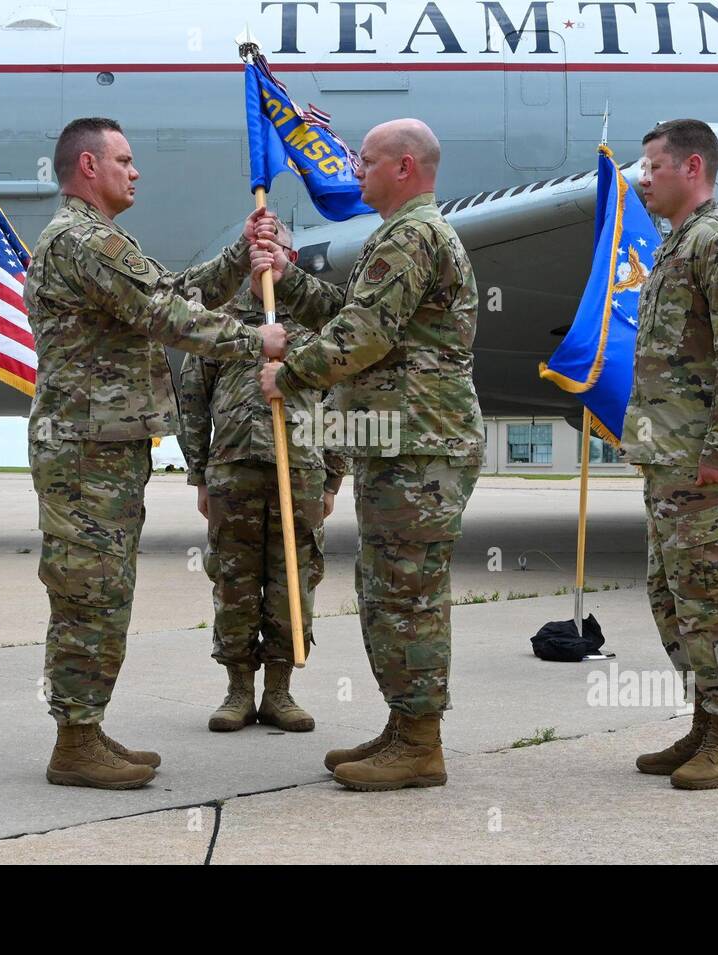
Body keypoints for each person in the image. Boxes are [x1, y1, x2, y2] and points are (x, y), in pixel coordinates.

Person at [25, 117, 286, 790]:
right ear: (88, 166)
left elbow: (174, 293)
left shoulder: (99, 241)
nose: (134, 171)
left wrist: (239, 255)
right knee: (91, 593)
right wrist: (259, 341)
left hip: (104, 447)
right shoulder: (84, 242)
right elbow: (170, 317)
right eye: (124, 159)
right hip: (86, 449)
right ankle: (75, 742)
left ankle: (85, 727)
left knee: (104, 591)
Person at [253, 118, 483, 792]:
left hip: (418, 443)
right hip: (400, 441)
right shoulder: (404, 234)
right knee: (388, 589)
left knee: (406, 595)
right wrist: (288, 275)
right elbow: (351, 310)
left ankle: (419, 743)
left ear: (405, 167)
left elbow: (364, 332)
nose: (355, 169)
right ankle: (405, 724)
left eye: (368, 159)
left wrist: (288, 371)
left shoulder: (412, 235)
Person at [622, 118, 718, 790]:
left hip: (708, 459)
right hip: (674, 456)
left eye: (651, 167)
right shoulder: (675, 245)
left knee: (710, 592)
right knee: (673, 591)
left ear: (691, 167)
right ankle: (704, 721)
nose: (641, 179)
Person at [179, 218, 347, 733]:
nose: (265, 260)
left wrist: (333, 479)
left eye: (275, 251)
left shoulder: (316, 322)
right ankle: (236, 691)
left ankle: (279, 691)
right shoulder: (220, 322)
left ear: (291, 260)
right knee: (234, 580)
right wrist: (199, 474)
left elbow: (341, 401)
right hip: (233, 470)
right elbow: (192, 401)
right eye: (257, 251)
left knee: (293, 581)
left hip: (299, 471)